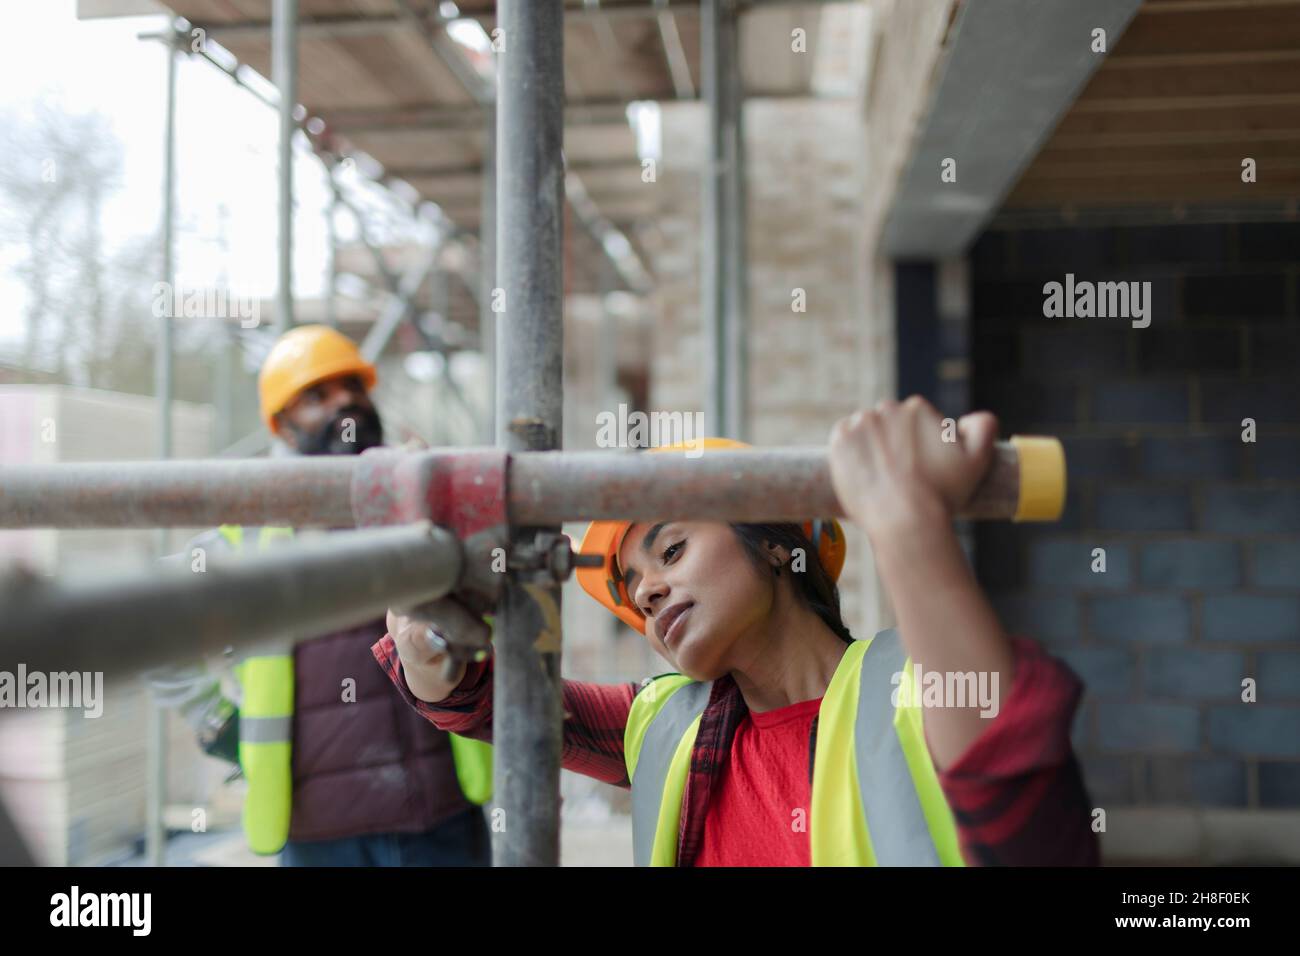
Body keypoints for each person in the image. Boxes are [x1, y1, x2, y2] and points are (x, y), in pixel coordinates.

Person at [375, 396, 1099, 866]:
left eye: (671, 549)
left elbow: (1034, 825)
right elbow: (493, 705)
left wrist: (906, 519)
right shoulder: (663, 725)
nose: (649, 591)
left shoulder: (913, 688)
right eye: (632, 590)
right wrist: (428, 645)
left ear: (778, 543)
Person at [151, 324, 492, 867]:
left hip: (439, 814)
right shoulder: (252, 528)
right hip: (320, 834)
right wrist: (216, 721)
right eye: (318, 396)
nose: (345, 403)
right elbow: (151, 618)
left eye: (352, 387)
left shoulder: (419, 498)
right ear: (283, 427)